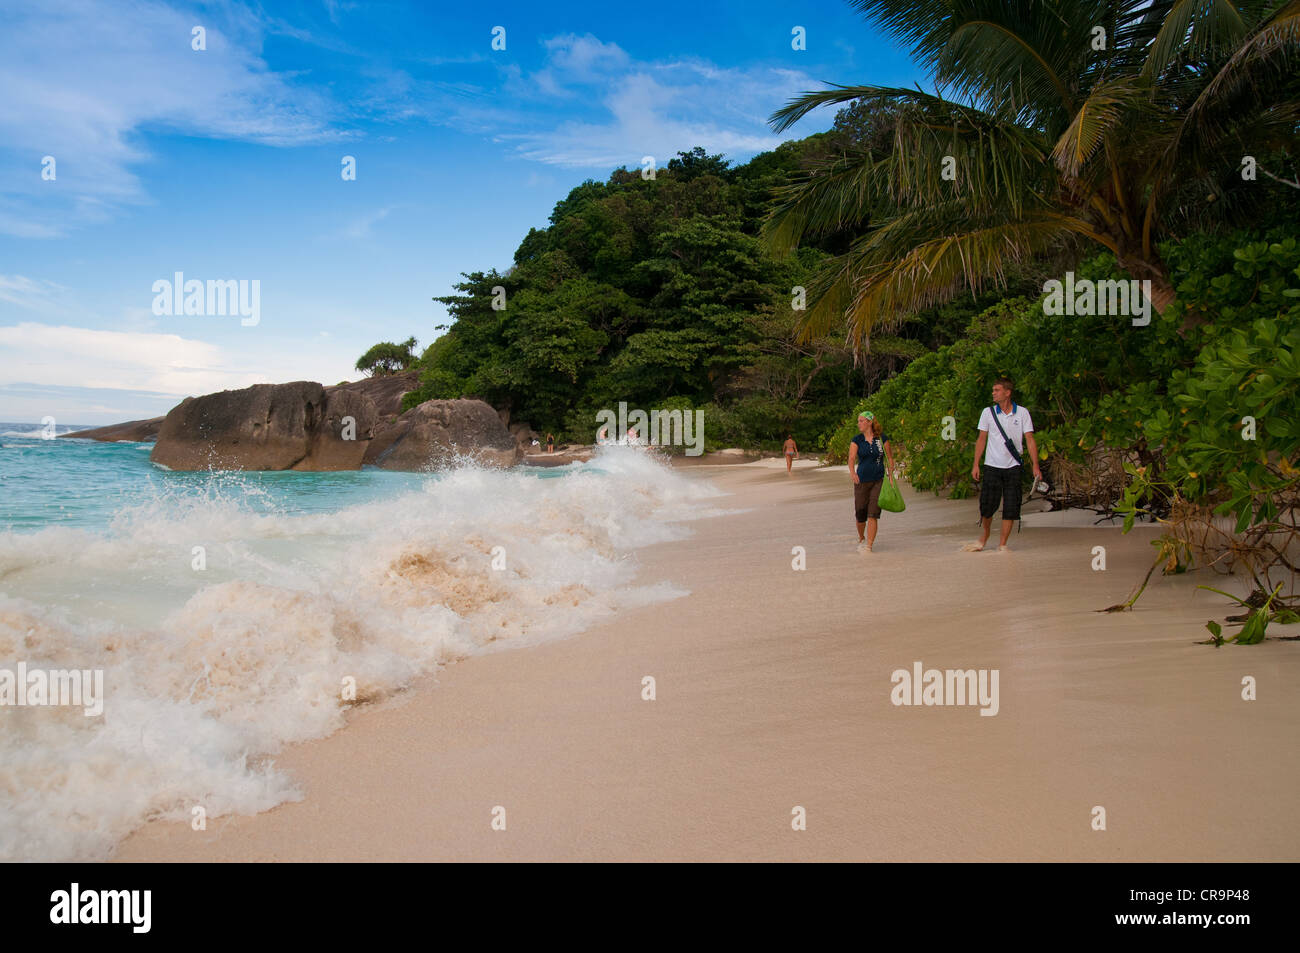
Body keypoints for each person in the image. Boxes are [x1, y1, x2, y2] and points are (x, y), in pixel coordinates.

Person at [967, 377, 1042, 552]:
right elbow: (981, 439)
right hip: (992, 465)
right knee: (987, 506)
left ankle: (1002, 544)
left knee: (1011, 505)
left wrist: (1035, 465)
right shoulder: (988, 413)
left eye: (997, 390)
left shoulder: (1022, 413)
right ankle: (985, 536)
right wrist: (975, 464)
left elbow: (1030, 440)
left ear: (1007, 392)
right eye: (993, 390)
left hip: (1014, 466)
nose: (993, 393)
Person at [848, 411, 895, 552]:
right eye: (858, 421)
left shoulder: (881, 439)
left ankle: (869, 546)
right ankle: (861, 537)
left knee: (873, 513)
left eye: (861, 421)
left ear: (869, 422)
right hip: (861, 481)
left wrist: (891, 476)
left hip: (878, 481)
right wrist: (852, 473)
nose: (859, 424)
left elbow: (890, 458)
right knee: (860, 514)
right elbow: (851, 459)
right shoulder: (857, 440)